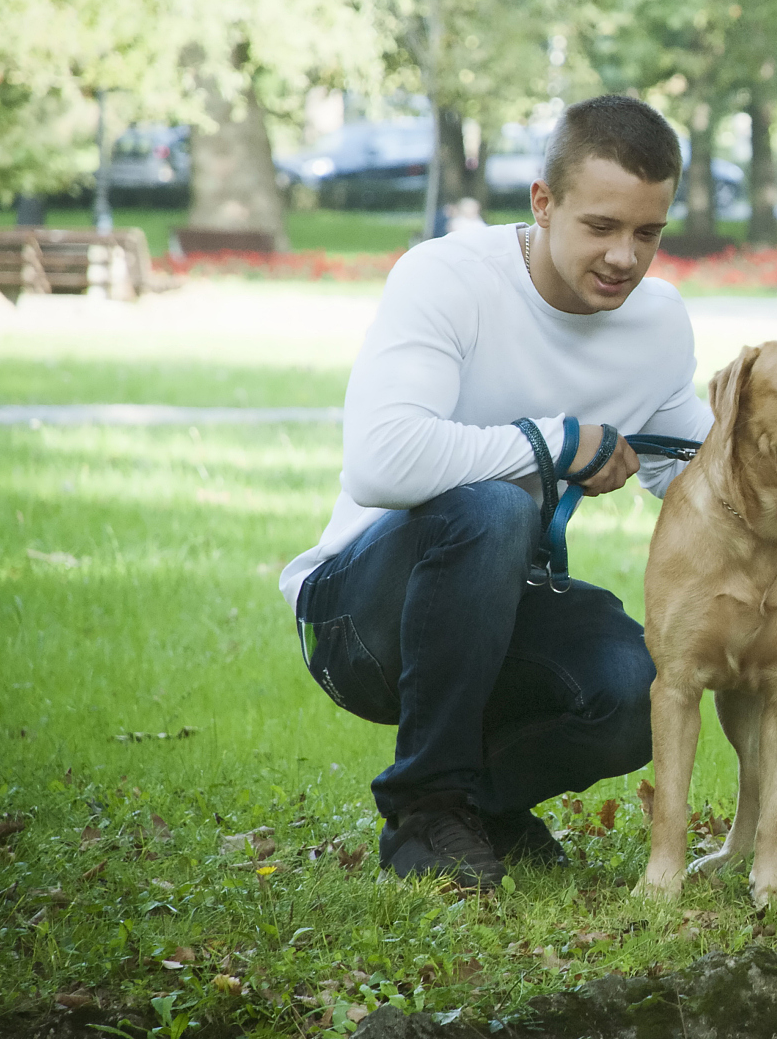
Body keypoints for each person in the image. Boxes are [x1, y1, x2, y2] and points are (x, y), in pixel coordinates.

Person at [278, 94, 711, 889]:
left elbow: (703, 469)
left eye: (648, 232)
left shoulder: (655, 323)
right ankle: (426, 810)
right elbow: (381, 460)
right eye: (601, 226)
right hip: (358, 620)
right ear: (543, 202)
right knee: (494, 502)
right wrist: (557, 442)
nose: (625, 256)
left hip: (501, 609)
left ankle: (483, 807)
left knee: (640, 686)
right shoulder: (447, 276)